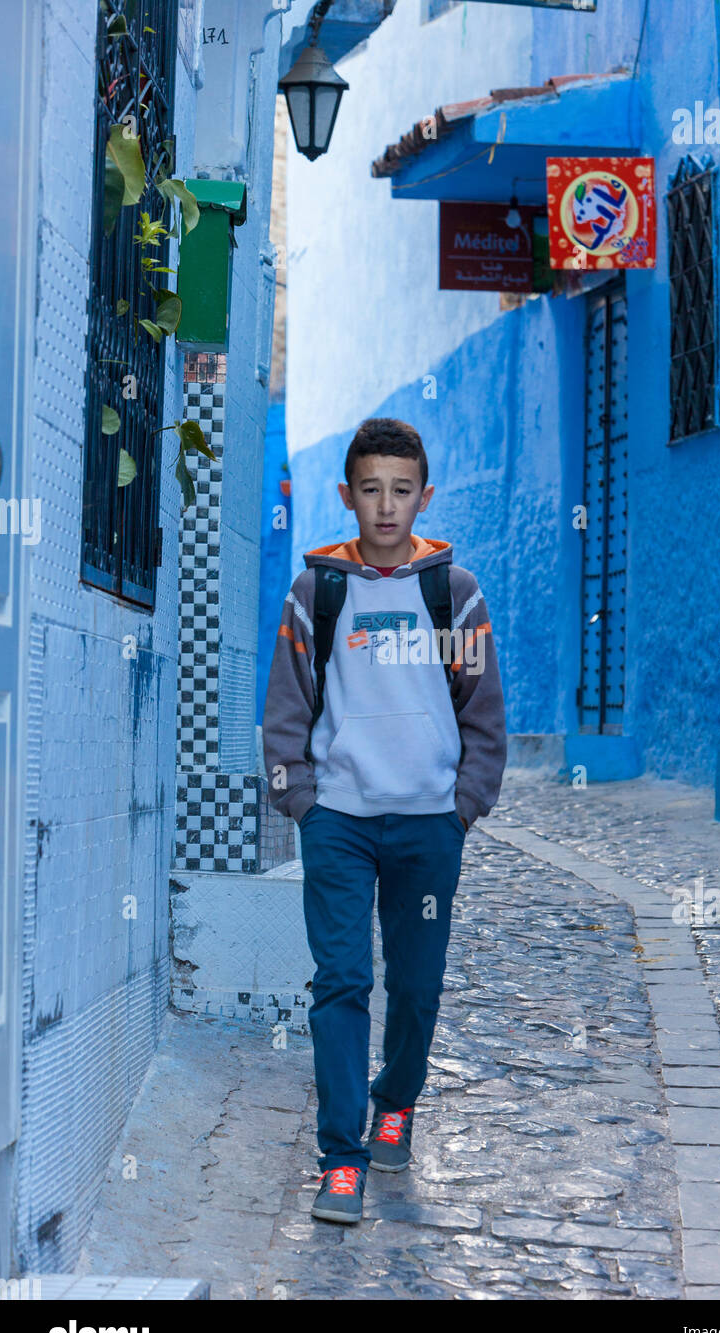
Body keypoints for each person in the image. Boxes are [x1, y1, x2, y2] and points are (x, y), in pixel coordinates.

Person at [262, 417, 507, 1223]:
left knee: (418, 984)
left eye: (402, 491)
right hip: (337, 822)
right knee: (341, 981)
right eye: (371, 490)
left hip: (429, 826)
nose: (387, 506)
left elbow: (484, 714)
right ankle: (341, 1156)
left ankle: (396, 1098)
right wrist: (298, 797)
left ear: (424, 496)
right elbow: (287, 709)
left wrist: (465, 803)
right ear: (348, 496)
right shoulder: (316, 593)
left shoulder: (454, 592)